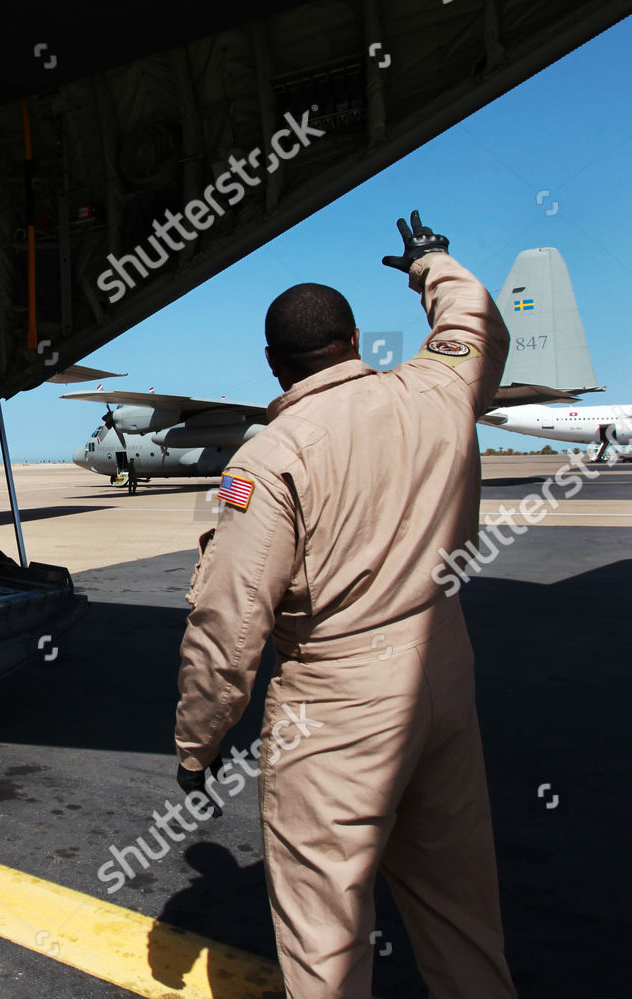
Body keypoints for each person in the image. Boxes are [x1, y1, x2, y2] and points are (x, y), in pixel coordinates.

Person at [171, 212, 516, 997]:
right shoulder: (436, 388)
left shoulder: (271, 457)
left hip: (337, 705)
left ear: (273, 363)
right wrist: (433, 263)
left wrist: (200, 741)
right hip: (443, 672)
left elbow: (229, 621)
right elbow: (475, 323)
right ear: (357, 339)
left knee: (326, 939)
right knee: (462, 914)